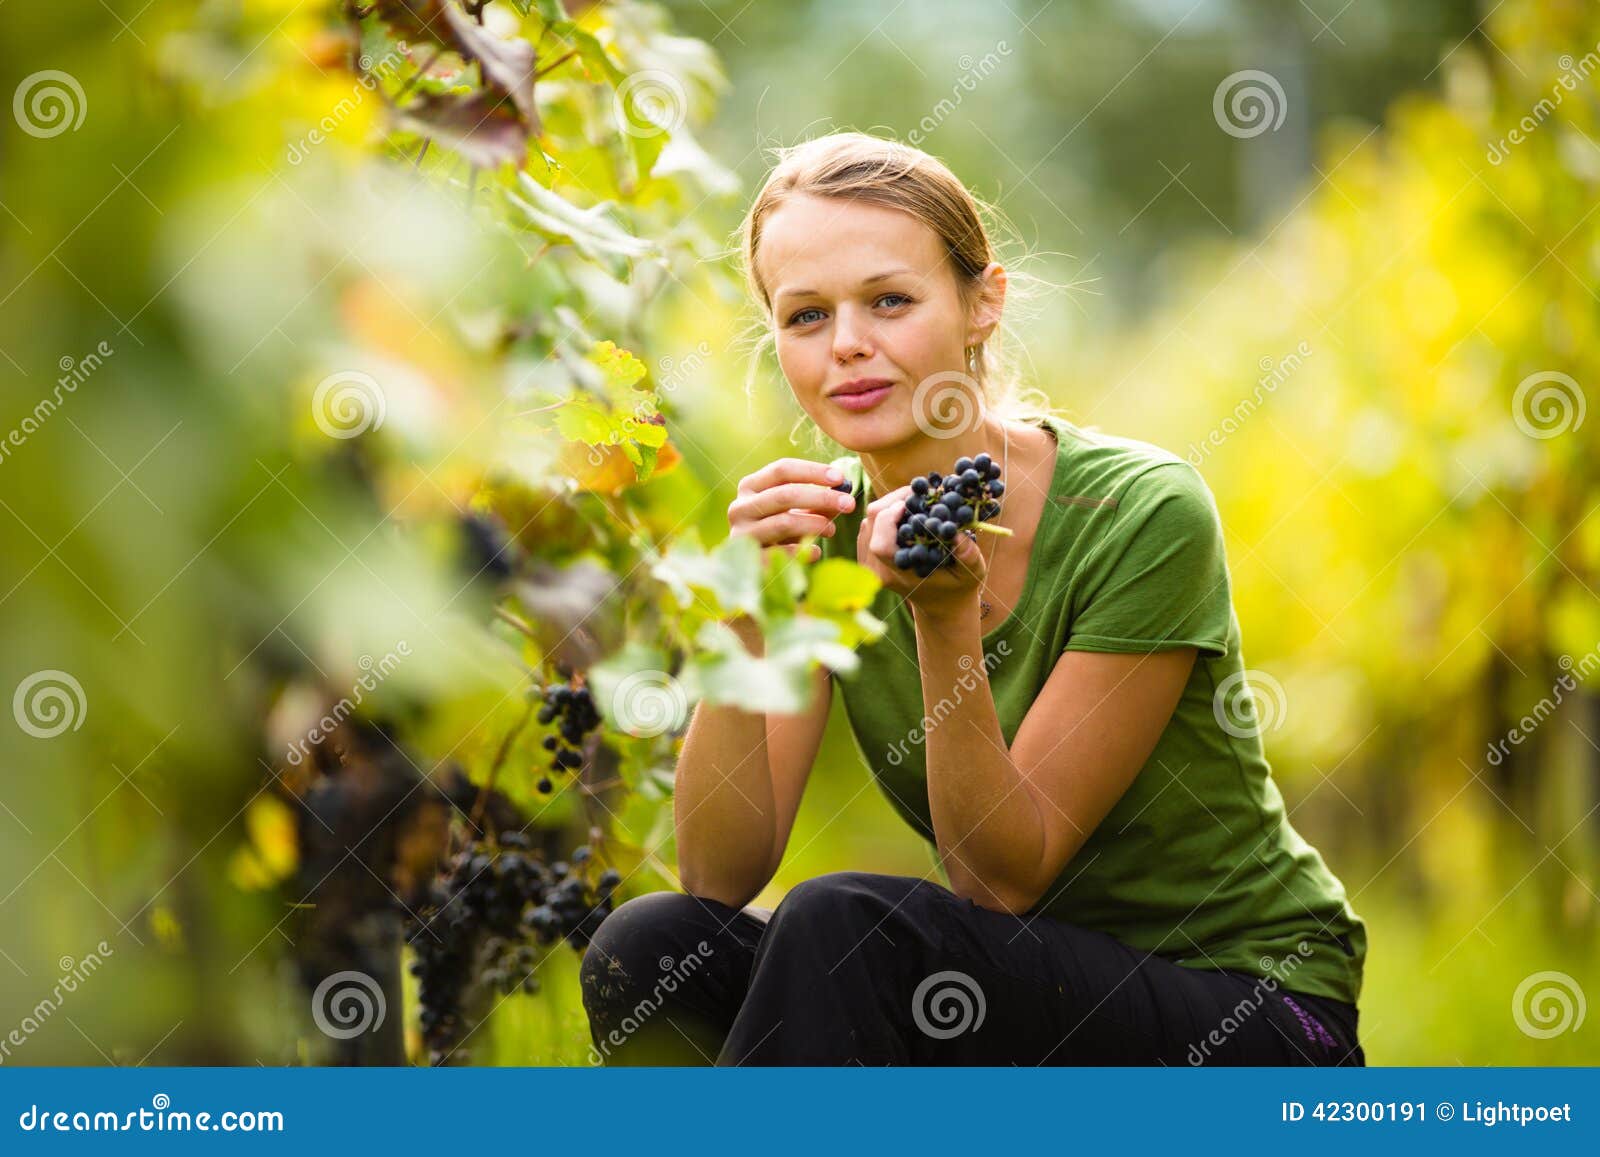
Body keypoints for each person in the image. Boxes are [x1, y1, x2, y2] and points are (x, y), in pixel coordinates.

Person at [578, 131, 1368, 1066]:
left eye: (889, 301)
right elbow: (718, 873)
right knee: (650, 945)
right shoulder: (818, 532)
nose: (849, 346)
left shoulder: (1139, 511)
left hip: (1249, 1012)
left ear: (980, 304)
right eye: (805, 317)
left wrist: (943, 618)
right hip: (1024, 992)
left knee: (846, 927)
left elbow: (1001, 880)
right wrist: (742, 613)